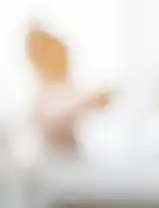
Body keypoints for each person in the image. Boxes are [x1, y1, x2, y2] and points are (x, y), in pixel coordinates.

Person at [22, 25, 111, 155]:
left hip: (70, 156)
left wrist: (94, 102)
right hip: (48, 158)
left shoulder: (67, 86)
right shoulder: (38, 91)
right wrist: (86, 103)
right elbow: (50, 122)